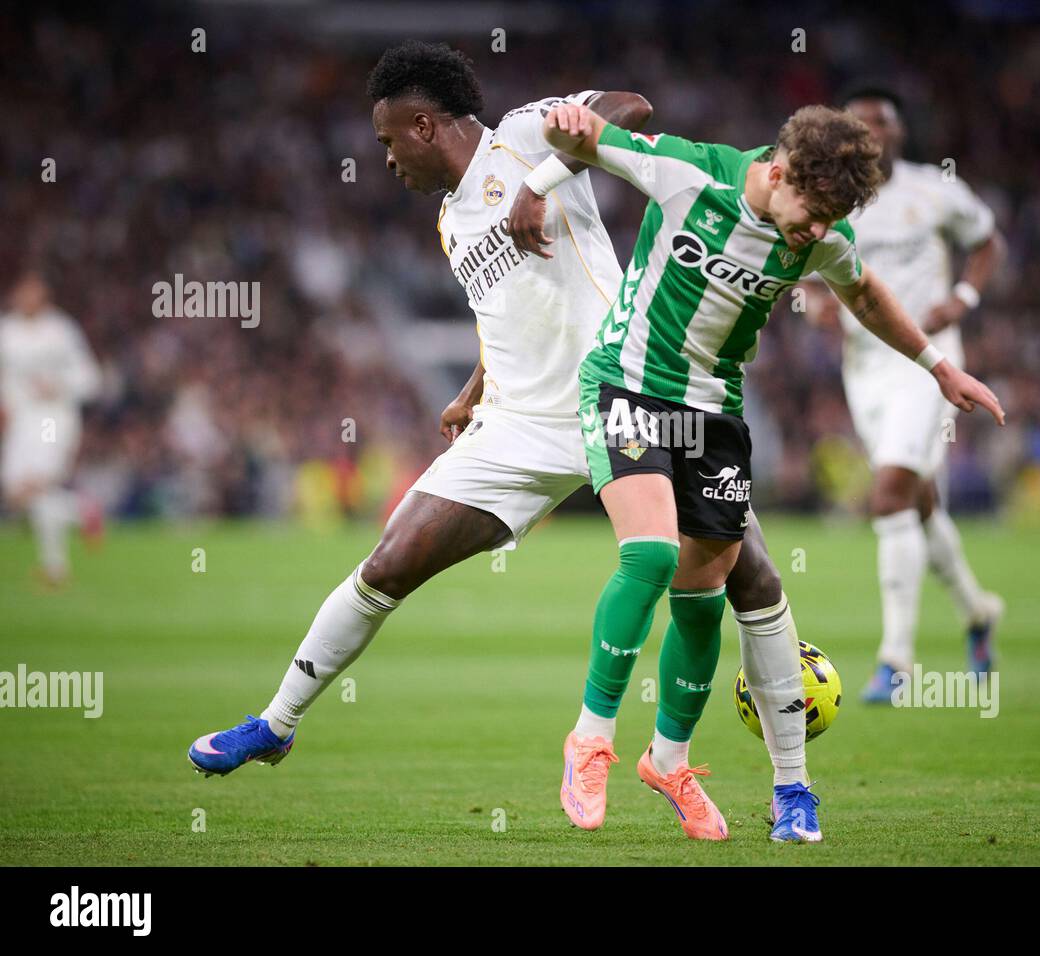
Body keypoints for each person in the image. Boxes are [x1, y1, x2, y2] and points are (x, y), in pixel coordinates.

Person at [188, 42, 822, 845]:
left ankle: (791, 788)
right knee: (389, 563)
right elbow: (509, 313)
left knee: (751, 581)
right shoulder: (449, 221)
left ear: (424, 125)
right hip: (519, 424)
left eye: (388, 141)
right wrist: (473, 385)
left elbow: (630, 107)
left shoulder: (524, 133)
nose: (386, 160)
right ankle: (276, 724)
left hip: (627, 392)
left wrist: (538, 182)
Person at [539, 100, 1005, 841]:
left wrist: (938, 366)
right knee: (651, 553)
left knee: (703, 599)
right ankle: (590, 739)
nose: (817, 233)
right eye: (814, 214)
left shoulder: (821, 235)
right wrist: (552, 145)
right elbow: (588, 137)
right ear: (779, 173)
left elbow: (864, 293)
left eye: (832, 221)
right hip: (627, 386)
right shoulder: (688, 173)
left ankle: (669, 762)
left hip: (715, 414)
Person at [832, 84, 1006, 701]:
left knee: (889, 492)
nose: (872, 132)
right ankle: (978, 611)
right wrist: (811, 302)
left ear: (900, 132)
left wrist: (963, 298)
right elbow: (804, 264)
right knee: (919, 499)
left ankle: (896, 662)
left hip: (929, 363)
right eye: (860, 123)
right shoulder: (831, 197)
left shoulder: (934, 189)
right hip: (864, 366)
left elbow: (987, 240)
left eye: (882, 121)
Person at [0, 271, 102, 588]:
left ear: (43, 297)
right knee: (15, 492)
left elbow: (90, 378)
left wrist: (58, 385)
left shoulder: (61, 331)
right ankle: (81, 513)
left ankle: (56, 568)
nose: (25, 299)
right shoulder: (7, 331)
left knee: (36, 485)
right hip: (21, 422)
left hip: (51, 418)